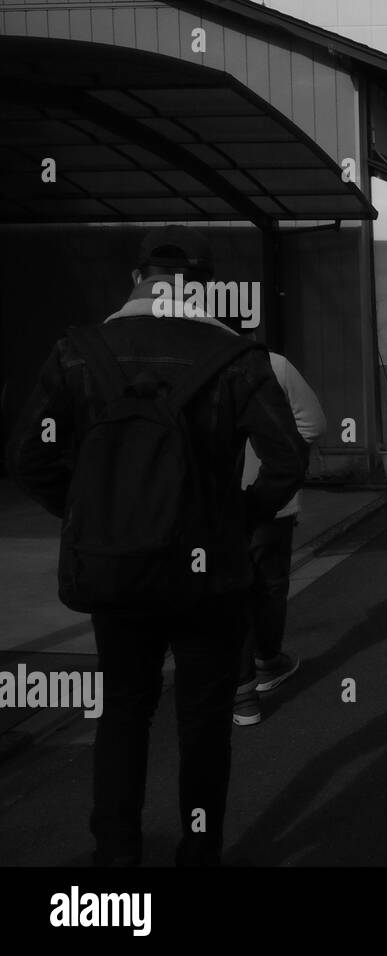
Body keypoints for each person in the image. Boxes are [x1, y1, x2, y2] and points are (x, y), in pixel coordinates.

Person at [4, 225, 308, 866]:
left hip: (117, 572)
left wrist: (94, 517)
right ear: (198, 291)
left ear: (136, 282)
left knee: (123, 712)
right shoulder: (236, 359)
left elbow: (29, 457)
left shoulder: (78, 353)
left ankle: (116, 857)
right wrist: (234, 520)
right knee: (202, 721)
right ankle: (199, 851)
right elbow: (287, 458)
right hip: (208, 578)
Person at [233, 349, 326, 727]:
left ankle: (241, 695)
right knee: (268, 584)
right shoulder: (271, 364)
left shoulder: (175, 361)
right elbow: (314, 424)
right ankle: (266, 661)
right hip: (268, 499)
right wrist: (280, 463)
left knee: (225, 591)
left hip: (205, 506)